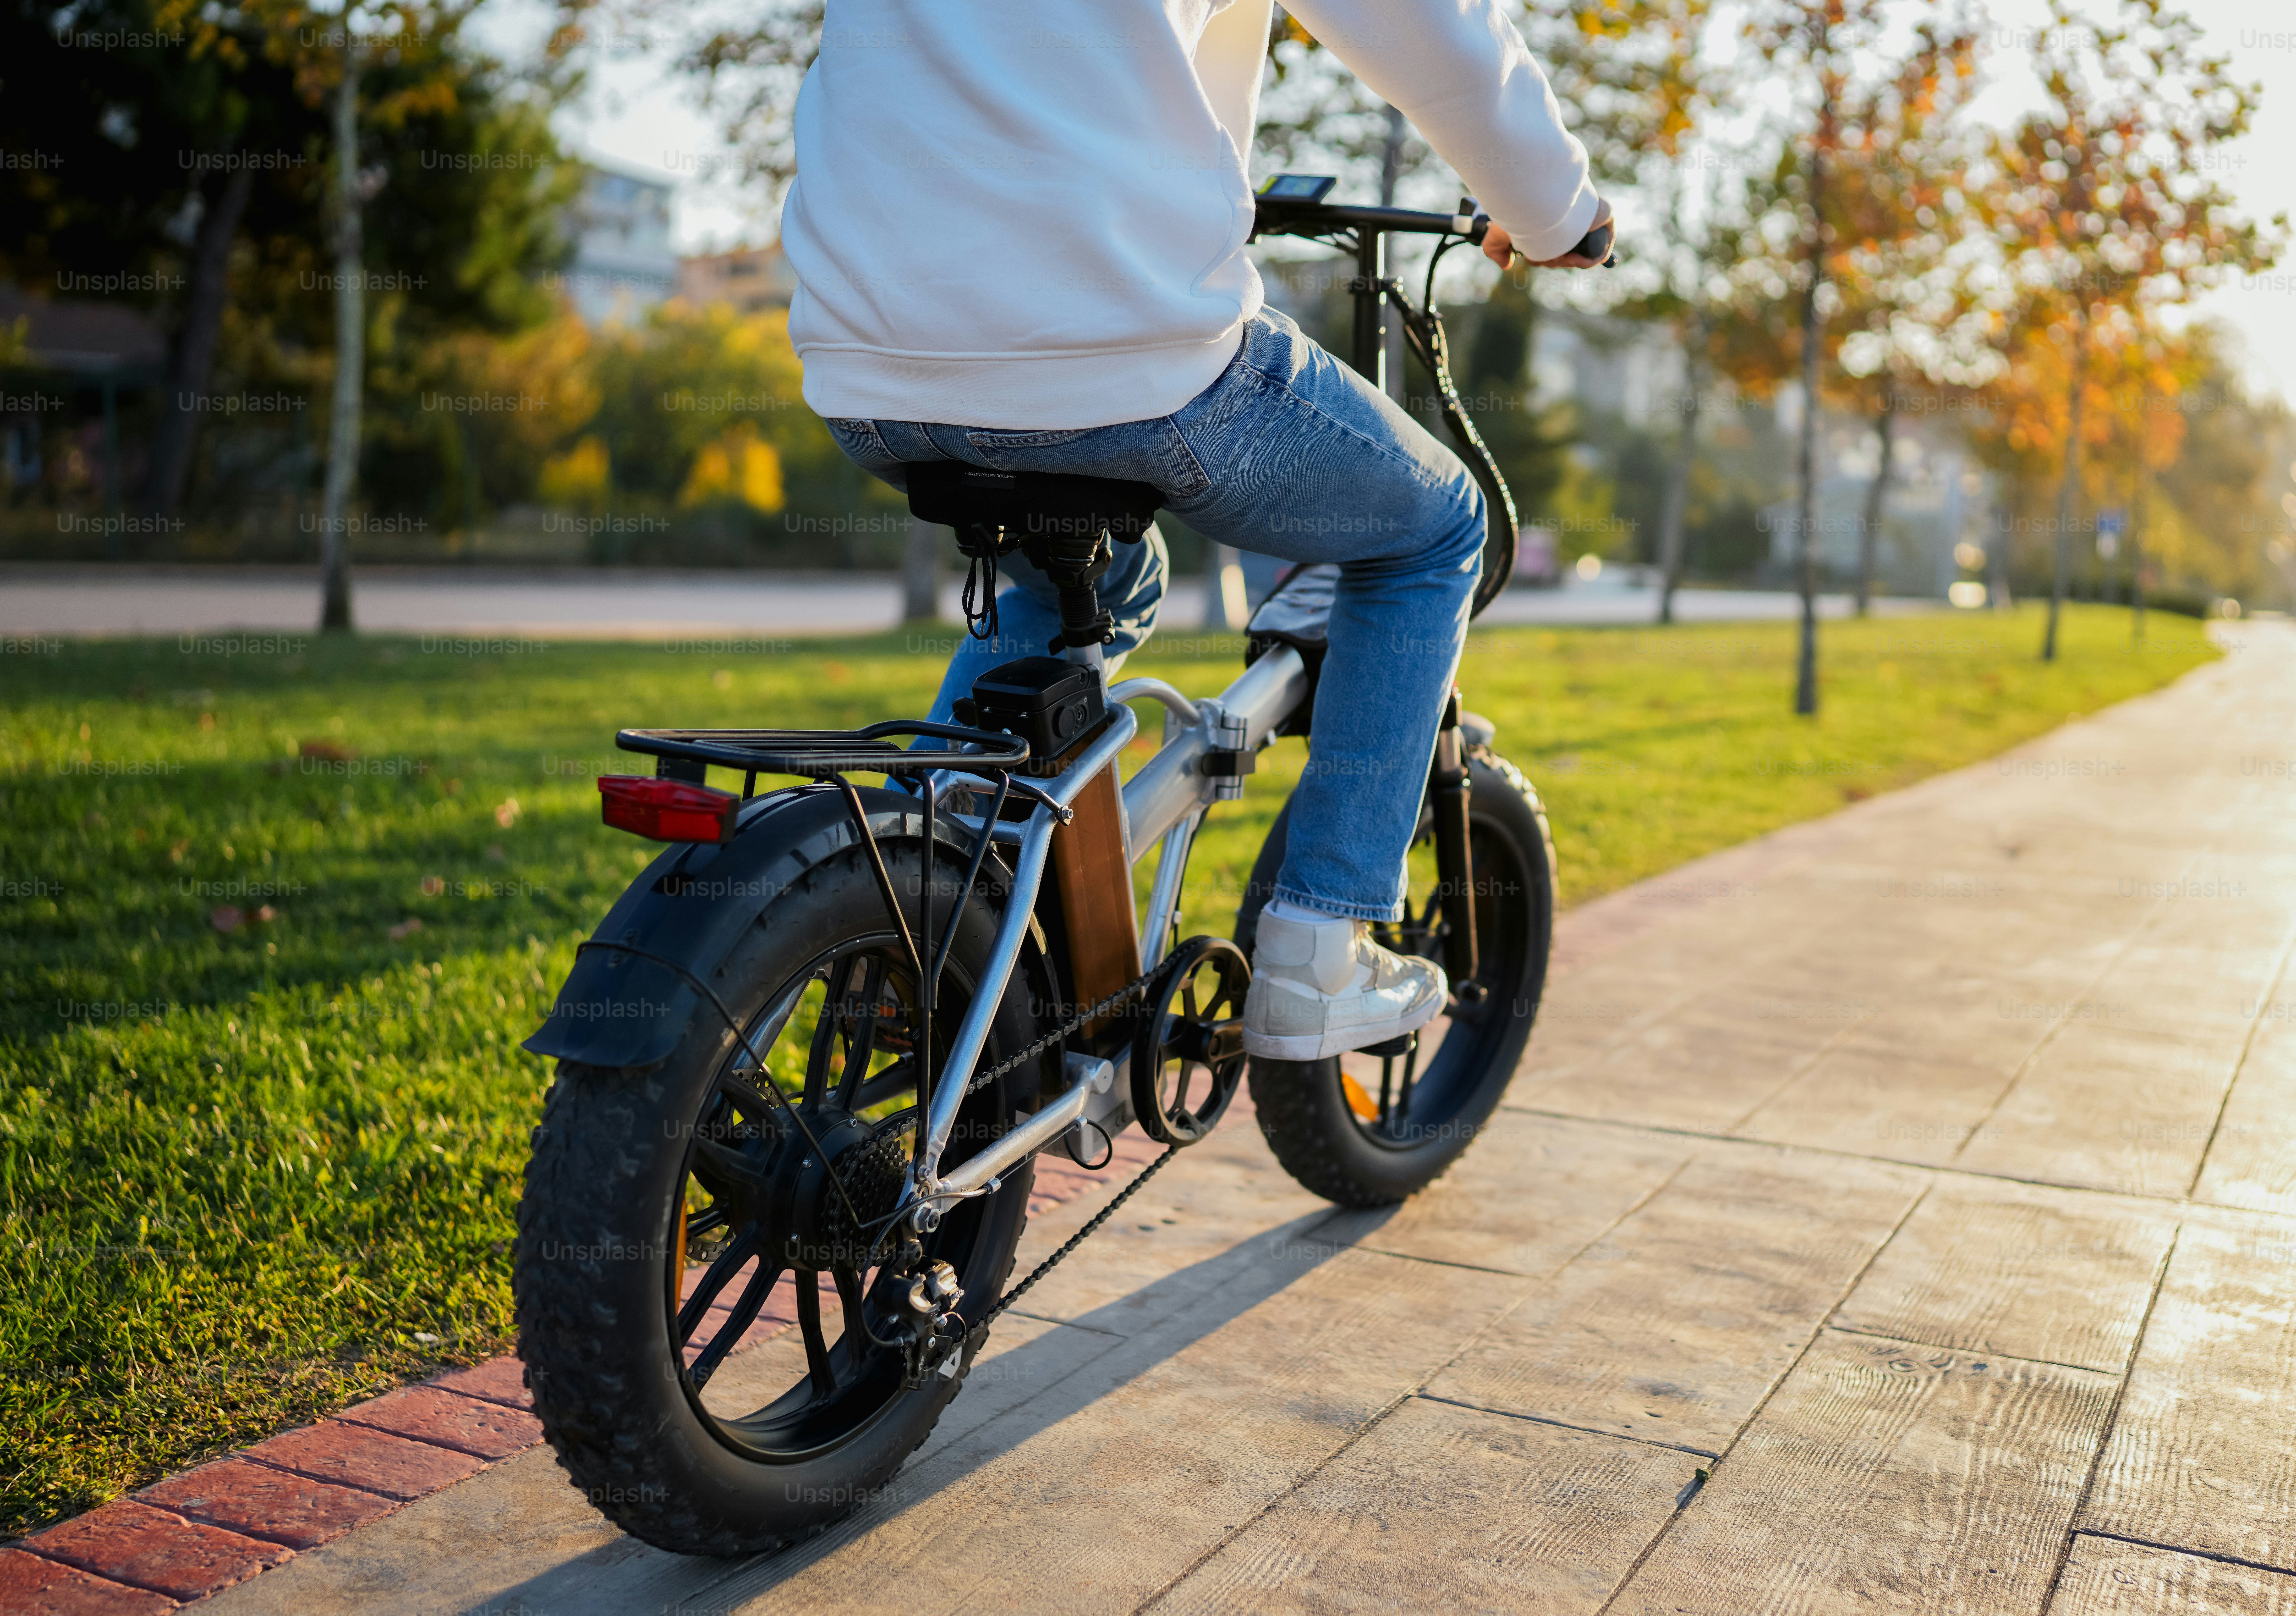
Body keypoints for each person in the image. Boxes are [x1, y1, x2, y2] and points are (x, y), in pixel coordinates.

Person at [783, 0, 1613, 1060]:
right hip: (1120, 348)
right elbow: (1428, 30)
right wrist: (1556, 215)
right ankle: (1317, 958)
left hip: (866, 361)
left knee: (1101, 577)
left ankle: (924, 909)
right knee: (1431, 523)